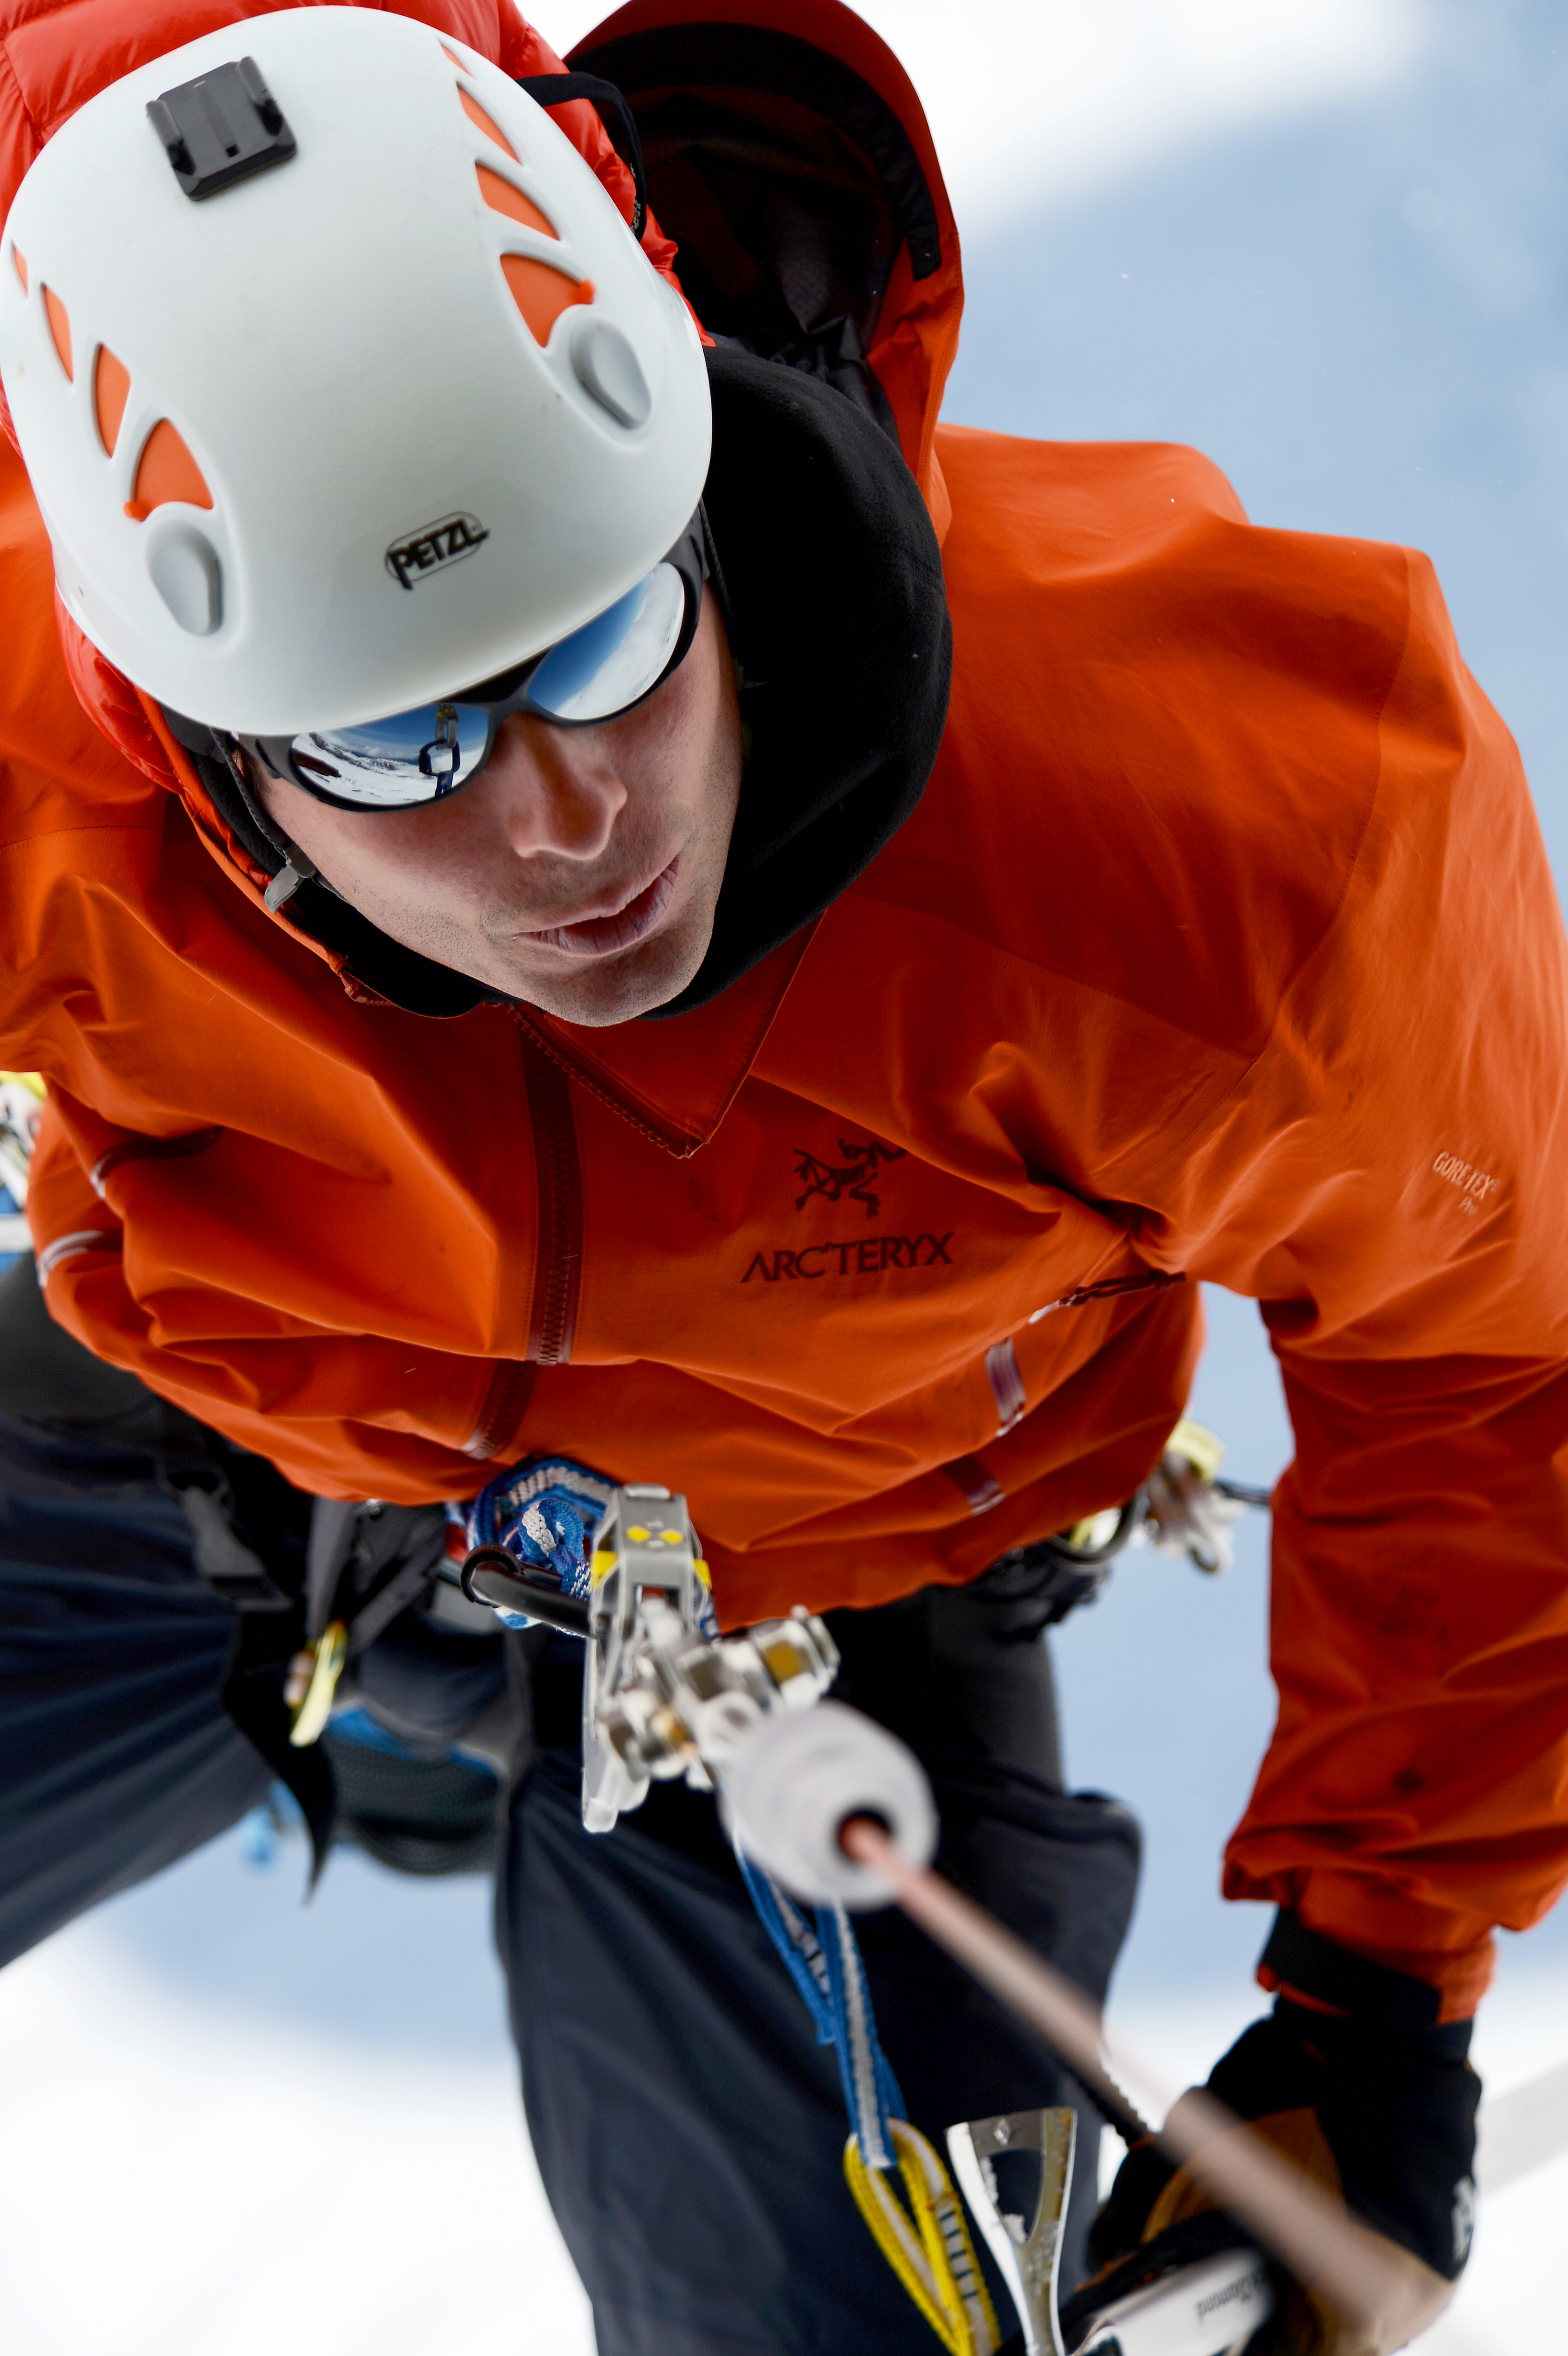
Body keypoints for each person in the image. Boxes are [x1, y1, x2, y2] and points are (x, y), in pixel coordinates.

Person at [1, 3, 1564, 2351]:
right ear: (186, 744)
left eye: (603, 629)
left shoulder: (1227, 833)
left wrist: (1375, 1977)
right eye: (401, 734)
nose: (561, 830)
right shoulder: (48, 776)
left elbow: (1488, 1361)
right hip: (268, 1443)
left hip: (839, 1599)